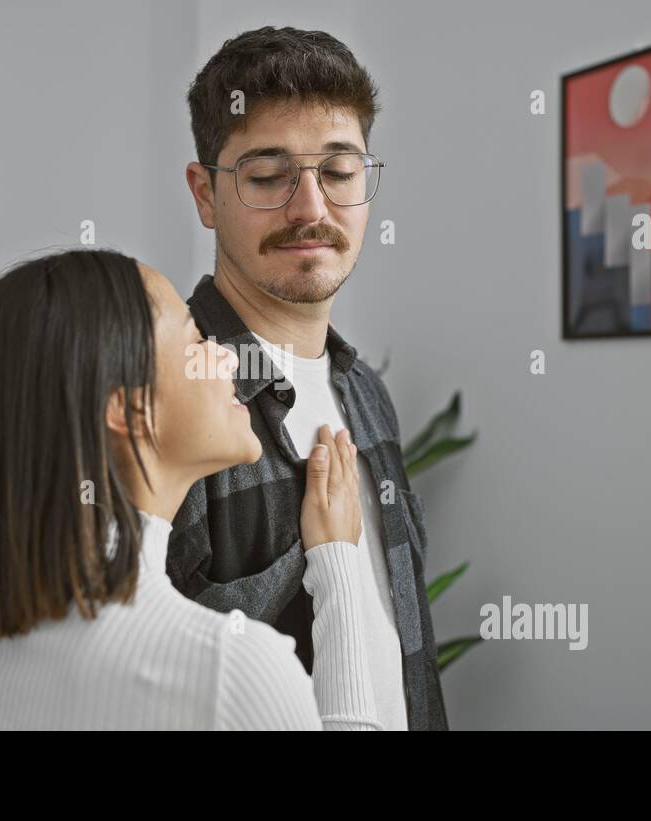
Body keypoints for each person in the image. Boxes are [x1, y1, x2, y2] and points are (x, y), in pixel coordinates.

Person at [0, 248, 381, 730]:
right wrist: (337, 566)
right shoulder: (228, 669)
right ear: (130, 410)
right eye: (194, 341)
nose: (225, 356)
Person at [169, 26, 448, 729]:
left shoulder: (368, 394)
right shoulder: (168, 391)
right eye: (268, 176)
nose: (311, 208)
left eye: (339, 171)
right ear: (205, 194)